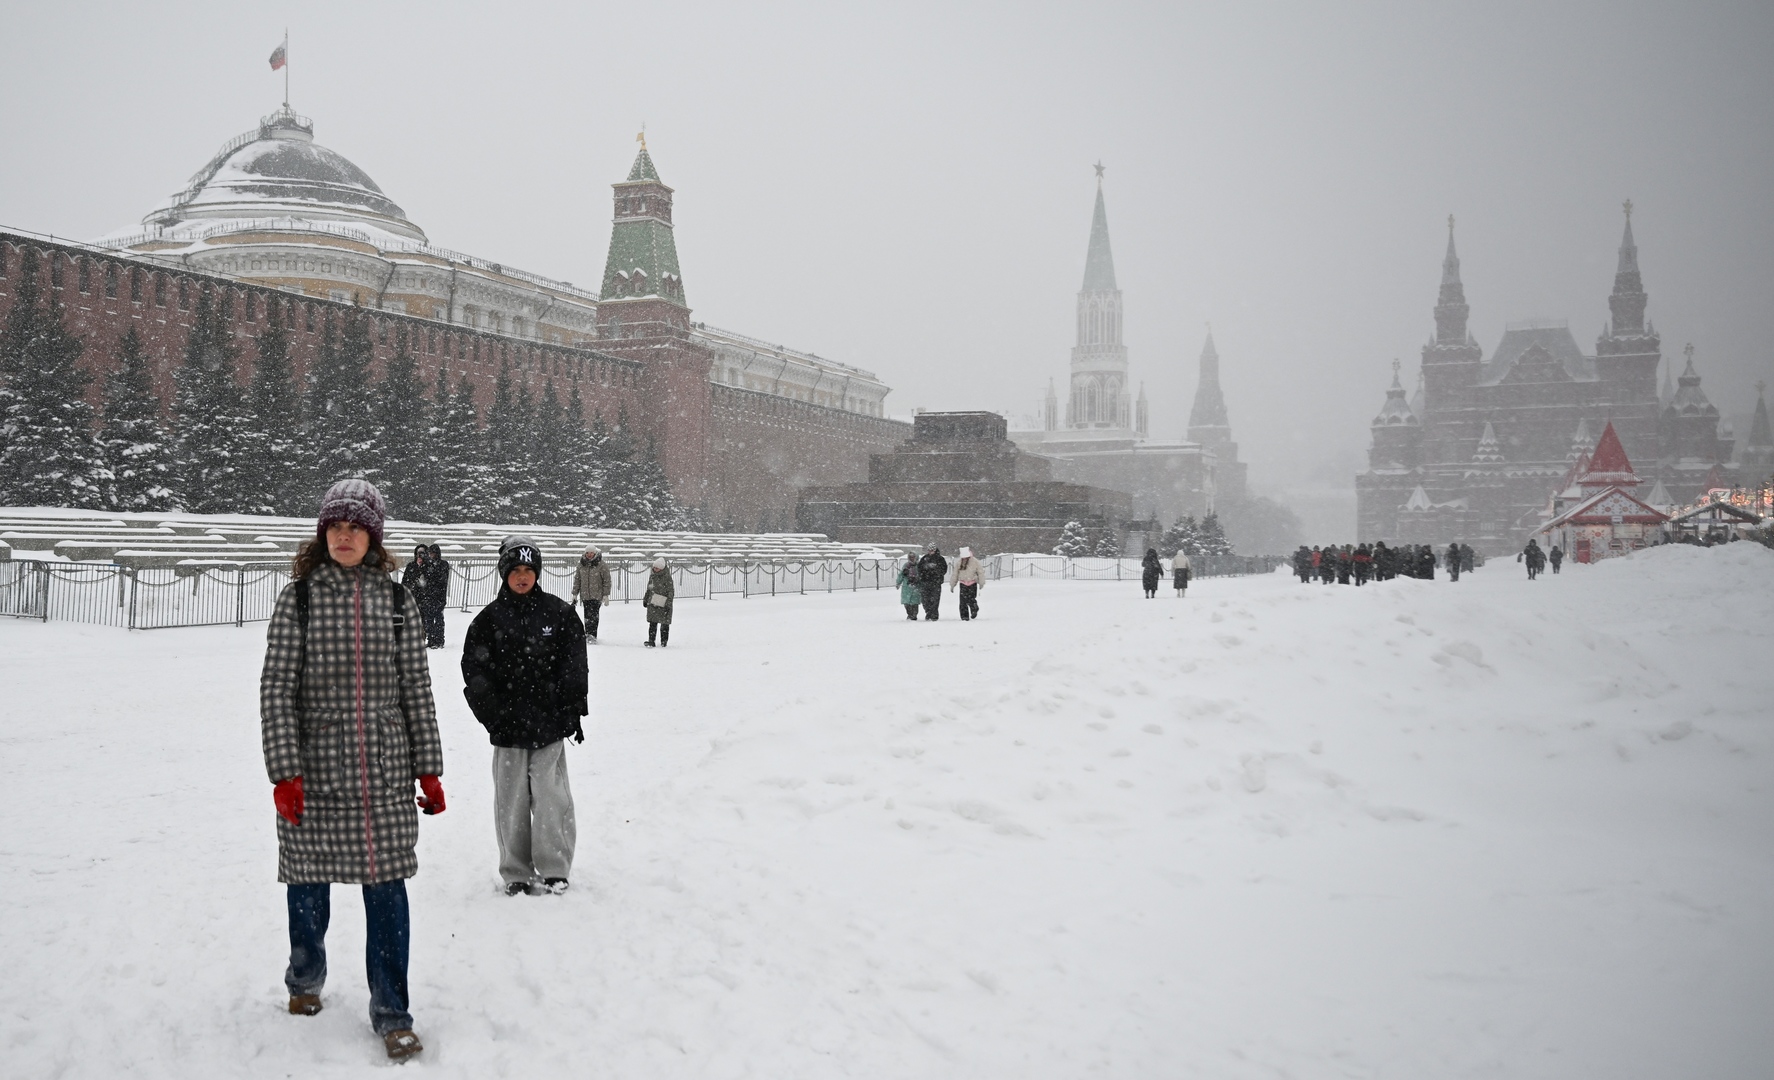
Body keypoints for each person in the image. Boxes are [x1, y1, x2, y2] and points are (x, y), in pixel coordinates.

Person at [260, 478, 445, 1062]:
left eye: (356, 527)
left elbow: (416, 687)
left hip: (384, 773)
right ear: (323, 534)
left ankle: (392, 1011)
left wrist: (428, 769)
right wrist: (284, 772)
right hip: (315, 771)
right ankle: (305, 978)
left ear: (373, 536)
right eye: (336, 527)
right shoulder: (300, 599)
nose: (345, 536)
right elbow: (276, 689)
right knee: (308, 885)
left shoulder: (397, 601)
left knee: (387, 894)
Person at [461, 537, 587, 898]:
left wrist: (571, 710)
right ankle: (515, 870)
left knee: (552, 798)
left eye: (528, 570)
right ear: (504, 574)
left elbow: (574, 666)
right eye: (515, 570)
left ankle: (555, 868)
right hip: (508, 729)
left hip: (549, 726)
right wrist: (492, 716)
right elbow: (475, 671)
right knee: (511, 802)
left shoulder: (559, 614)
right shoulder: (487, 621)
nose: (522, 577)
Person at [570, 546, 612, 643]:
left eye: (591, 553)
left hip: (597, 595)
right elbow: (577, 580)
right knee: (587, 615)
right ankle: (587, 634)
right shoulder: (581, 564)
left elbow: (607, 580)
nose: (589, 555)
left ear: (595, 553)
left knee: (593, 615)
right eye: (588, 553)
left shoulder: (601, 565)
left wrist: (606, 594)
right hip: (585, 595)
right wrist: (575, 593)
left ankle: (592, 635)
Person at [421, 543, 451, 648]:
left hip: (438, 597)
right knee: (429, 620)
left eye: (432, 553)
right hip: (429, 596)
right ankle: (432, 640)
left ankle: (439, 640)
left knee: (438, 620)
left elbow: (441, 580)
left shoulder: (443, 564)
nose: (431, 555)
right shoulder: (429, 564)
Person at [643, 555, 675, 647]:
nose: (654, 569)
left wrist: (668, 603)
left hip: (663, 602)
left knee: (664, 624)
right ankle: (651, 640)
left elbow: (670, 591)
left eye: (656, 567)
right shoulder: (652, 576)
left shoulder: (667, 577)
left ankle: (663, 642)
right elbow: (649, 589)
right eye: (654, 567)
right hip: (653, 601)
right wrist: (645, 599)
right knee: (653, 623)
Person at [950, 546, 985, 619]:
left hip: (972, 583)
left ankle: (974, 609)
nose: (964, 559)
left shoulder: (975, 561)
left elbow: (980, 572)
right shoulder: (959, 563)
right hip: (963, 583)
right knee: (963, 602)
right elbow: (955, 574)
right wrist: (952, 584)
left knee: (971, 599)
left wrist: (981, 582)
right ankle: (964, 616)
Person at [916, 544, 947, 621]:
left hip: (936, 582)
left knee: (935, 599)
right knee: (925, 599)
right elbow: (919, 568)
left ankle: (934, 614)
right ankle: (928, 611)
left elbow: (944, 569)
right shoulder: (924, 558)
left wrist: (935, 570)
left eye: (932, 550)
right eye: (929, 550)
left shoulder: (940, 559)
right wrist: (924, 569)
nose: (930, 552)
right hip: (925, 581)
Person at [896, 554, 921, 620]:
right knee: (906, 603)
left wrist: (918, 579)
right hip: (906, 586)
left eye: (913, 557)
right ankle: (909, 614)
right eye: (910, 557)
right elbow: (901, 575)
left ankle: (914, 615)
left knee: (915, 603)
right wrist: (898, 582)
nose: (912, 558)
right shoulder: (906, 565)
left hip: (916, 586)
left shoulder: (919, 566)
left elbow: (922, 575)